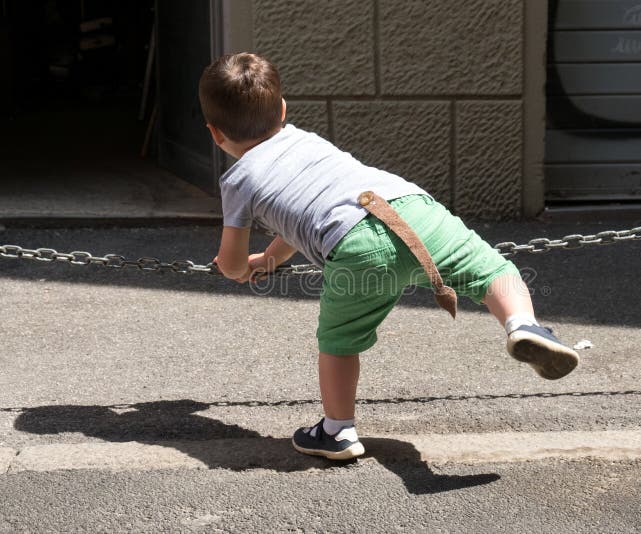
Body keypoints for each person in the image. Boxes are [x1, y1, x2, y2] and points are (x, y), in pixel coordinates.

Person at [200, 52, 579, 461]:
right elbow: (317, 206)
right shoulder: (305, 140)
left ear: (215, 134)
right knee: (492, 270)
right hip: (408, 206)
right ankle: (523, 324)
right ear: (284, 110)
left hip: (355, 247)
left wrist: (238, 268)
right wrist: (272, 258)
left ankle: (337, 431)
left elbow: (235, 260)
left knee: (339, 341)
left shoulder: (238, 180)